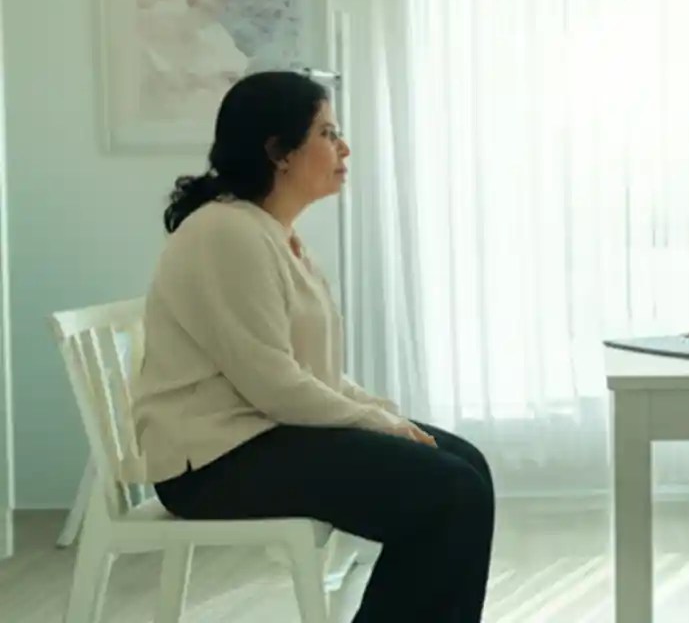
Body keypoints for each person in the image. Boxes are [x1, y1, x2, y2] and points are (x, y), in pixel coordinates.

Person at [133, 71, 494, 622]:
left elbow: (311, 373)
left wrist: (380, 412)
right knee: (449, 492)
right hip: (212, 463)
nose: (343, 147)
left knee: (466, 466)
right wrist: (377, 423)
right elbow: (275, 383)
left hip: (261, 435)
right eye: (327, 133)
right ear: (279, 151)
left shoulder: (276, 235)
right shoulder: (225, 234)